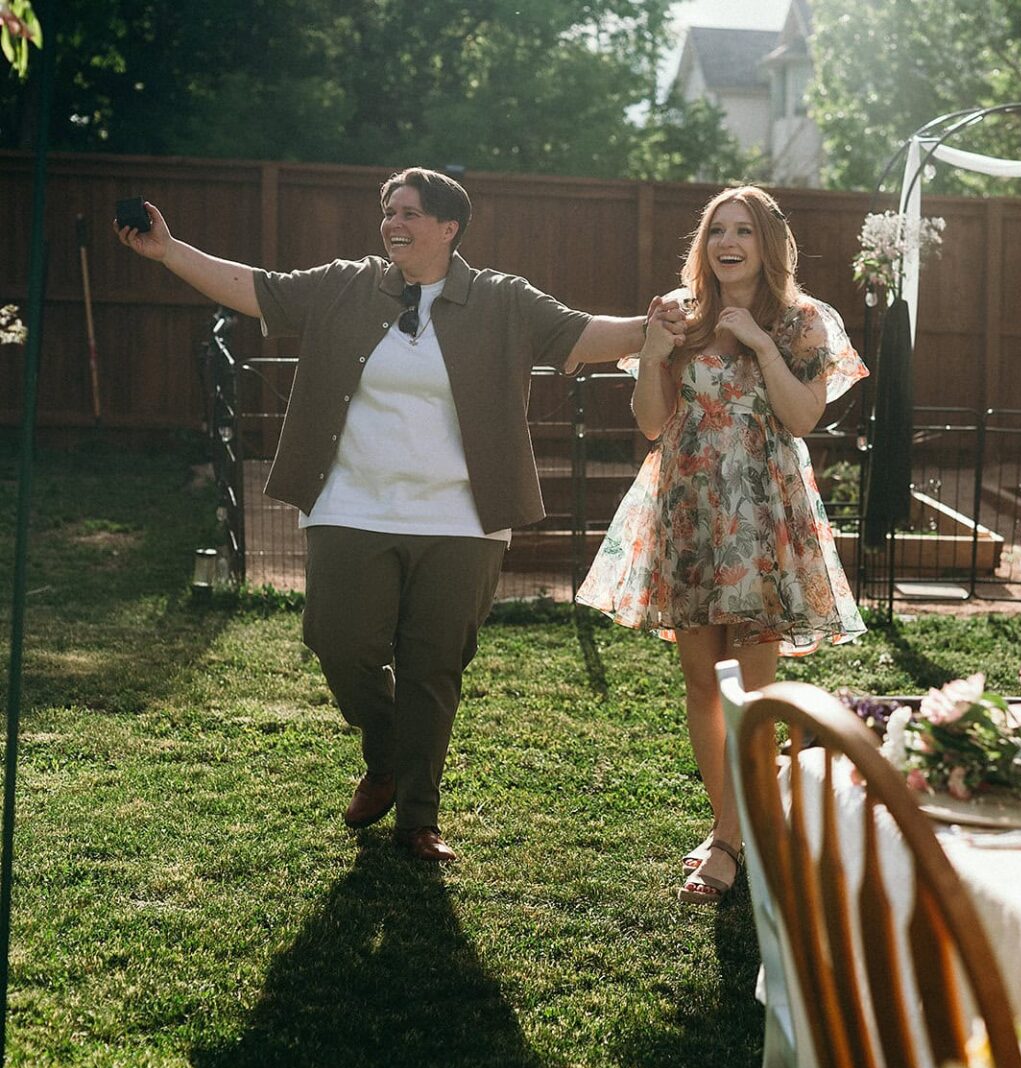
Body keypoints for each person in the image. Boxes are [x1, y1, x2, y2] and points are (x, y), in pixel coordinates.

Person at [117, 167, 684, 862]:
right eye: (389, 211)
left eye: (410, 212)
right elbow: (251, 286)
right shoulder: (345, 284)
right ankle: (385, 752)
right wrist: (170, 251)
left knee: (434, 665)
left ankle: (418, 815)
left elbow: (585, 333)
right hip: (351, 503)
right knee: (339, 641)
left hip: (462, 518)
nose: (394, 223)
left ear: (449, 227)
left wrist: (655, 326)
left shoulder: (502, 299)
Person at [577, 185, 867, 904]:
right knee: (702, 681)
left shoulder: (801, 322)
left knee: (758, 687)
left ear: (769, 244)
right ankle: (731, 827)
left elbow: (800, 419)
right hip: (689, 509)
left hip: (763, 515)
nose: (727, 243)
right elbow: (651, 423)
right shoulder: (679, 315)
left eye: (743, 231)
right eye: (716, 231)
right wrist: (651, 353)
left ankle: (735, 838)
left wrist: (761, 343)